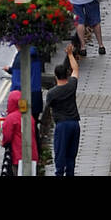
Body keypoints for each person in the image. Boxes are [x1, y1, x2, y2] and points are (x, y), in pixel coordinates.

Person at [43, 45, 81, 176]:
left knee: (60, 156)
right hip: (75, 124)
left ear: (55, 76)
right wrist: (70, 54)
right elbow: (76, 69)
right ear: (67, 74)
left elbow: (47, 108)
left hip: (62, 126)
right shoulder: (72, 85)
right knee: (71, 156)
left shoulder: (52, 93)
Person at [0, 88, 38, 174]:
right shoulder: (29, 116)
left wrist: (3, 143)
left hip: (18, 156)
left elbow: (7, 137)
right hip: (32, 155)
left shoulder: (11, 118)